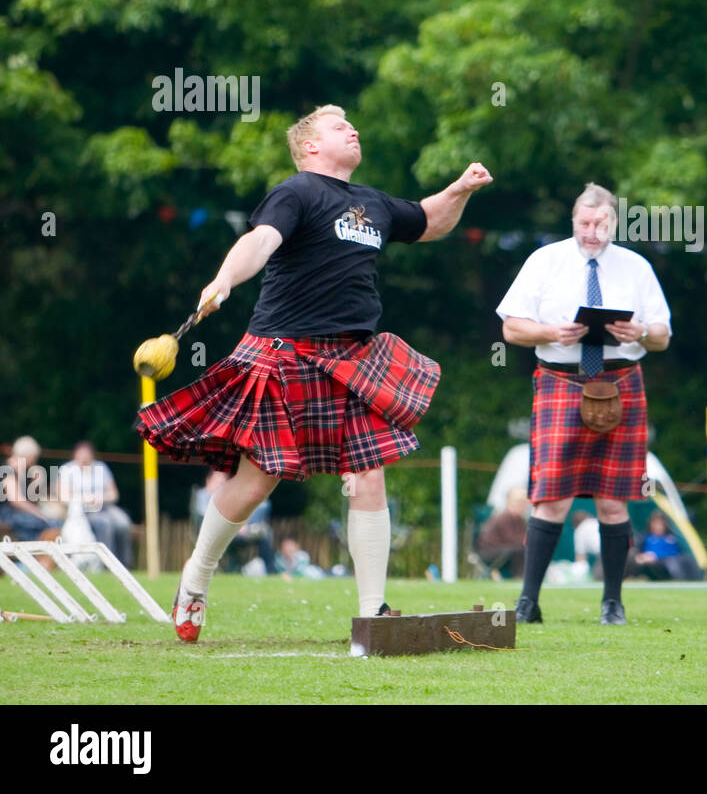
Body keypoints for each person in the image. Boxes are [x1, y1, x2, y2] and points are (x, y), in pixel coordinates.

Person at [135, 104, 492, 641]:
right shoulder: (296, 191)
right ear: (310, 147)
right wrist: (225, 279)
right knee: (257, 480)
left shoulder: (372, 202)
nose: (352, 128)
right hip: (283, 353)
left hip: (350, 358)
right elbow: (261, 240)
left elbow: (426, 220)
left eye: (352, 122)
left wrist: (461, 188)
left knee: (370, 470)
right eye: (337, 125)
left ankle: (373, 614)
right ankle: (195, 577)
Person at [497, 183, 672, 625]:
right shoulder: (545, 261)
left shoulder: (636, 267)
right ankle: (528, 602)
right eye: (584, 223)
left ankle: (613, 603)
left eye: (601, 223)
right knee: (549, 495)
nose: (592, 232)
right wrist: (551, 333)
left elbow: (663, 335)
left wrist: (642, 334)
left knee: (615, 499)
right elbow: (512, 329)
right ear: (573, 220)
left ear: (614, 221)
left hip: (620, 379)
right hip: (560, 379)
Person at [57, 441, 134, 567]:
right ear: (75, 456)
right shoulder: (67, 470)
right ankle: (109, 564)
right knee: (105, 524)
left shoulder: (102, 468)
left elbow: (114, 494)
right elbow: (63, 497)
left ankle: (125, 563)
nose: (84, 460)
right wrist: (84, 499)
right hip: (82, 511)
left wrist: (101, 498)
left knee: (123, 523)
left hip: (105, 506)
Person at [193, 470, 275, 574]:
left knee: (264, 535)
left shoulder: (225, 497)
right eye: (218, 481)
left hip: (235, 531)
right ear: (208, 481)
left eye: (223, 482)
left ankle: (271, 571)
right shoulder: (203, 495)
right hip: (217, 533)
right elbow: (206, 516)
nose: (220, 484)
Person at [0, 436, 60, 541]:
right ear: (27, 456)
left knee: (54, 522)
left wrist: (37, 481)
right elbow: (16, 500)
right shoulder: (8, 470)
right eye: (33, 458)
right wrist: (39, 513)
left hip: (18, 514)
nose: (34, 461)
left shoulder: (26, 471)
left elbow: (38, 497)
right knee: (43, 523)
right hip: (7, 514)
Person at [476, 486, 529, 579]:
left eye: (525, 502)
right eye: (519, 502)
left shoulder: (519, 520)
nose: (523, 505)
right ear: (509, 502)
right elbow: (513, 539)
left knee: (522, 550)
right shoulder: (504, 517)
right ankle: (519, 577)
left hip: (505, 550)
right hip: (490, 552)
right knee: (521, 550)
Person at [634, 510, 701, 581]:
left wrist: (656, 556)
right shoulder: (645, 537)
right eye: (656, 524)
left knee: (675, 562)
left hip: (665, 563)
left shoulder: (670, 539)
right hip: (649, 565)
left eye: (661, 524)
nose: (658, 527)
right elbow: (638, 551)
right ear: (651, 524)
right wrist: (641, 556)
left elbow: (675, 553)